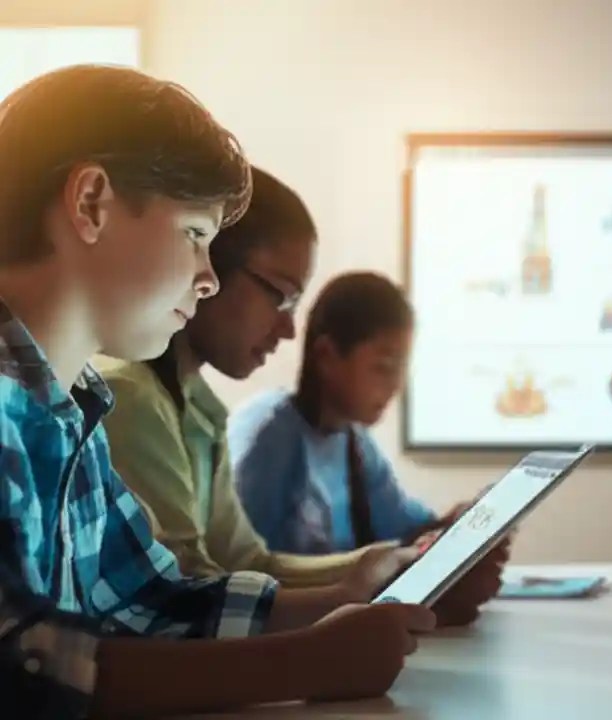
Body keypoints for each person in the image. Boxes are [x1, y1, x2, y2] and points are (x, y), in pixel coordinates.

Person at [0, 66, 432, 719]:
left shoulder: (71, 403)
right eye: (197, 235)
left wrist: (348, 605)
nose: (208, 280)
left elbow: (151, 599)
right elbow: (20, 669)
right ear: (90, 203)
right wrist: (306, 661)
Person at [99, 169, 502, 628]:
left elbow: (251, 562)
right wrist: (351, 596)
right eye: (280, 296)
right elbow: (184, 589)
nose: (290, 329)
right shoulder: (129, 396)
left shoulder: (200, 408)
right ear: (207, 269)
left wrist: (386, 564)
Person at [229, 272, 498, 588]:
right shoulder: (269, 440)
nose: (395, 386)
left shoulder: (354, 443)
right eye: (384, 368)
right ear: (327, 356)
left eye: (401, 370)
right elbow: (245, 570)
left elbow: (404, 527)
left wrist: (461, 523)